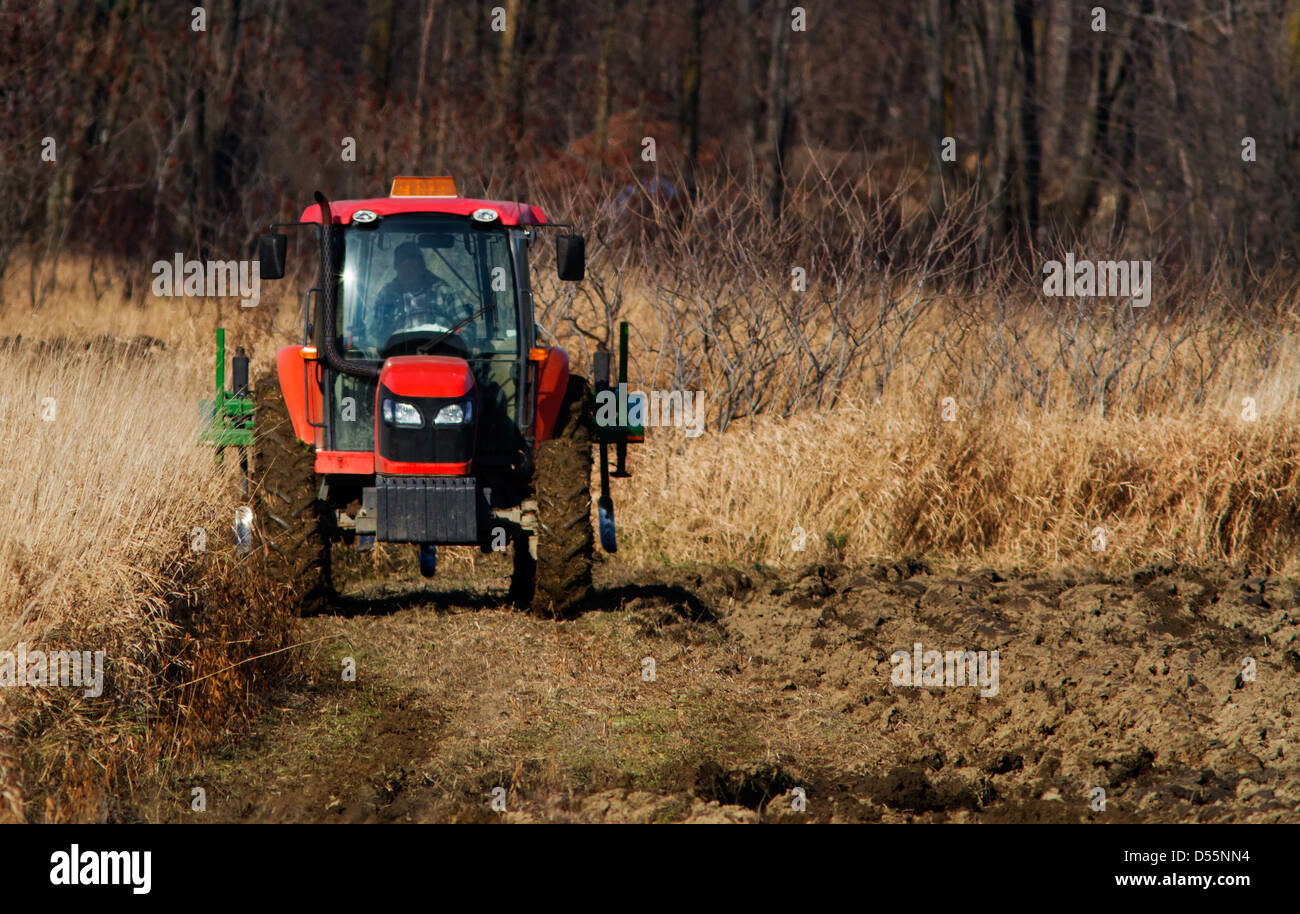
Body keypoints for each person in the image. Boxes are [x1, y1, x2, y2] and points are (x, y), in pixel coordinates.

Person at [371, 241, 462, 346]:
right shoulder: (387, 296)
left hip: (442, 356)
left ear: (422, 267)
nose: (408, 270)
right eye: (403, 265)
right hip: (397, 357)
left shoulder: (443, 292)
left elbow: (465, 327)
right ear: (396, 268)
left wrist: (454, 345)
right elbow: (375, 334)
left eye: (413, 265)